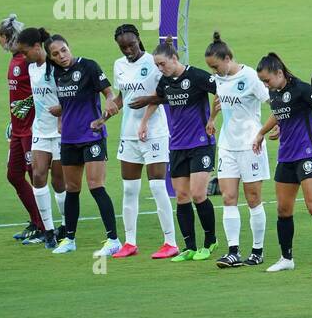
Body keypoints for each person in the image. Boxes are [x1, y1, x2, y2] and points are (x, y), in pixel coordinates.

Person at [129, 38, 216, 262]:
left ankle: (209, 242)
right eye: (157, 65)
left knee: (198, 194)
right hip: (177, 145)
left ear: (174, 59)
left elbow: (221, 92)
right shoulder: (165, 82)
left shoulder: (197, 76)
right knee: (182, 196)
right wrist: (143, 123)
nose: (160, 68)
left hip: (200, 143)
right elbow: (157, 100)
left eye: (162, 64)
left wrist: (213, 119)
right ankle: (189, 247)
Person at [251, 53, 312, 272]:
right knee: (283, 210)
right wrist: (263, 133)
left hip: (307, 155)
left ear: (279, 73)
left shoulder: (302, 89)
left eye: (267, 80)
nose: (265, 85)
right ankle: (286, 259)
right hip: (286, 157)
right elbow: (279, 114)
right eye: (262, 82)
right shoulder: (275, 93)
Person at [47, 33, 121, 255]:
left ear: (69, 47)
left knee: (96, 186)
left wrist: (109, 100)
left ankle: (113, 240)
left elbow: (108, 91)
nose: (62, 56)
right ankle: (69, 240)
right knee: (72, 189)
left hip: (92, 135)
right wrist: (60, 117)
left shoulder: (88, 66)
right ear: (51, 58)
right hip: (69, 138)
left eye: (64, 50)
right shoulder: (57, 74)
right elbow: (65, 101)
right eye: (56, 54)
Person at [203, 32, 271, 268]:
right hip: (227, 146)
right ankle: (233, 251)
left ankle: (257, 250)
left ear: (228, 58)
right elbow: (219, 99)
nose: (215, 72)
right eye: (211, 68)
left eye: (216, 66)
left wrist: (274, 127)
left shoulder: (251, 77)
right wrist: (212, 119)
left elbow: (274, 102)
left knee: (253, 199)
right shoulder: (220, 79)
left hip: (251, 145)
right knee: (228, 197)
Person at [109, 25, 177, 259]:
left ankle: (170, 242)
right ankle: (130, 242)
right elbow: (122, 97)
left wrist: (147, 102)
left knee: (157, 186)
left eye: (131, 44)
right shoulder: (119, 65)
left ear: (139, 39)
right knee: (129, 189)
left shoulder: (153, 62)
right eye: (123, 47)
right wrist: (106, 114)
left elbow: (168, 94)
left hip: (154, 132)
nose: (128, 50)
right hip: (128, 133)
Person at [0, 15, 47, 243]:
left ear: (7, 37)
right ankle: (36, 220)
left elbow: (38, 92)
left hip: (30, 130)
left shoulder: (26, 61)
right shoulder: (15, 59)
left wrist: (25, 108)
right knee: (13, 174)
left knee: (33, 174)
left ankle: (43, 226)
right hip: (17, 130)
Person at [17, 27, 66, 246]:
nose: (23, 56)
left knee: (59, 182)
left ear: (37, 47)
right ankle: (48, 229)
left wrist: (61, 114)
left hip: (59, 132)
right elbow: (37, 98)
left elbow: (69, 95)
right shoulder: (32, 68)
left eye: (25, 51)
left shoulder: (56, 67)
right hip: (40, 131)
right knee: (37, 175)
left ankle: (65, 225)